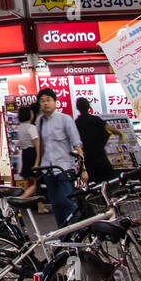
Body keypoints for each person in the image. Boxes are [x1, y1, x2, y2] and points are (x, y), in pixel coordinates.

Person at [36, 88, 85, 227]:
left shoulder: (65, 119)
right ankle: (64, 237)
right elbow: (41, 145)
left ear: (55, 102)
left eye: (48, 100)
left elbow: (77, 145)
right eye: (42, 101)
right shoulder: (39, 121)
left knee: (68, 203)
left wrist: (83, 169)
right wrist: (37, 164)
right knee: (56, 205)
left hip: (64, 168)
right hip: (48, 170)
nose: (45, 103)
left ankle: (78, 233)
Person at [75, 97, 115, 183]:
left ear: (77, 108)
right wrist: (103, 143)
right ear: (89, 107)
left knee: (93, 185)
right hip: (100, 155)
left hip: (87, 157)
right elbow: (111, 130)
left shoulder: (77, 122)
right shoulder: (96, 119)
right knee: (109, 182)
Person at [15, 105, 41, 196]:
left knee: (36, 182)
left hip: (25, 155)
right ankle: (21, 199)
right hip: (33, 155)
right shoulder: (31, 127)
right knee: (37, 183)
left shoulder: (20, 127)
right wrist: (37, 162)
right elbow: (37, 145)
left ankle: (40, 205)